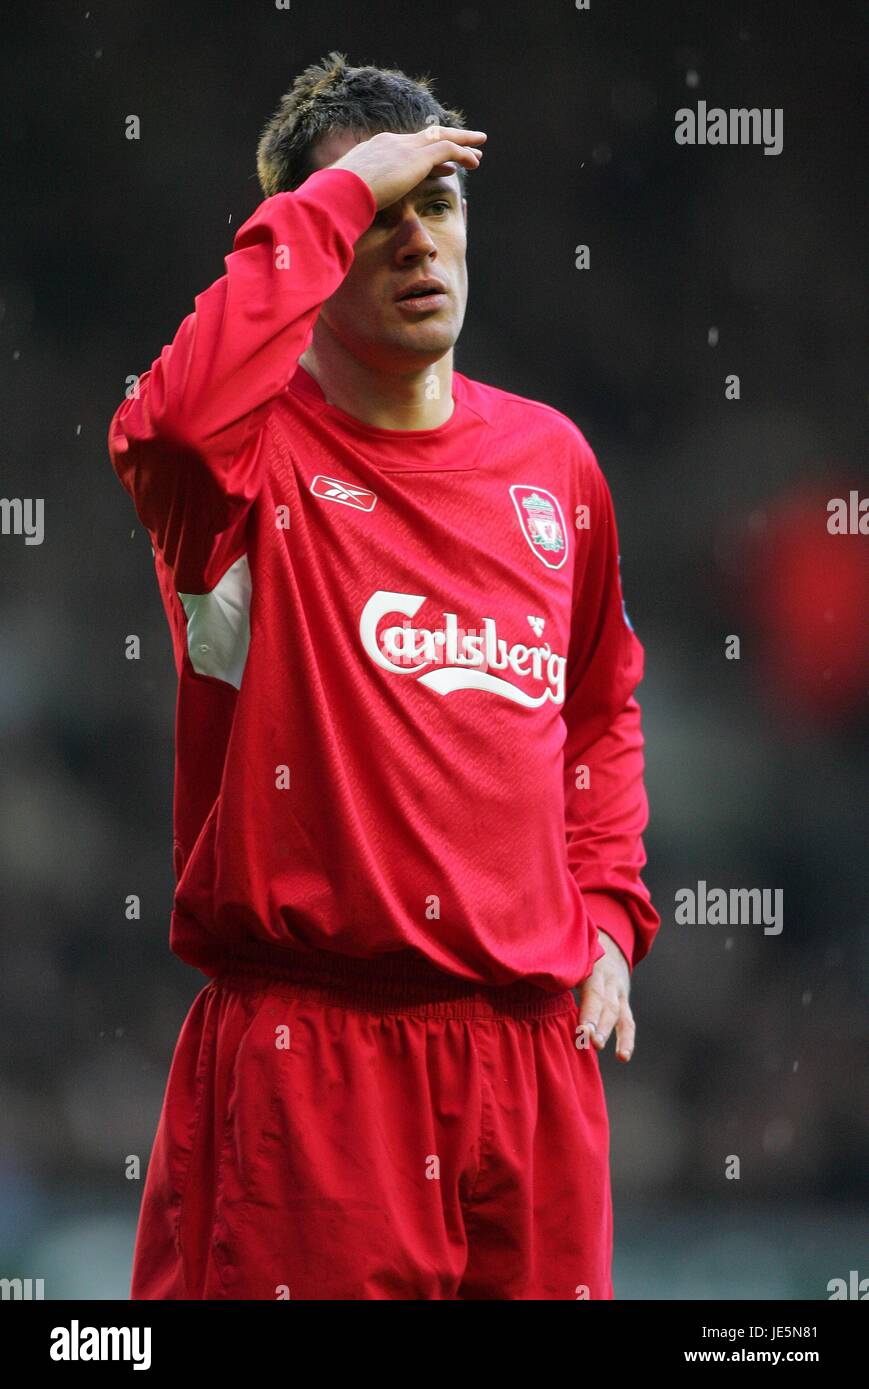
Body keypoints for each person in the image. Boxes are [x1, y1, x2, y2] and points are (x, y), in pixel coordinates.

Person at [108, 51, 660, 1301]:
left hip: (529, 1072)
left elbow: (596, 707)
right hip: (318, 1059)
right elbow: (166, 421)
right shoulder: (241, 464)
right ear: (309, 243)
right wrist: (334, 193)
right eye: (377, 215)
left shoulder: (553, 463)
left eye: (439, 206)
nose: (416, 244)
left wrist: (610, 913)